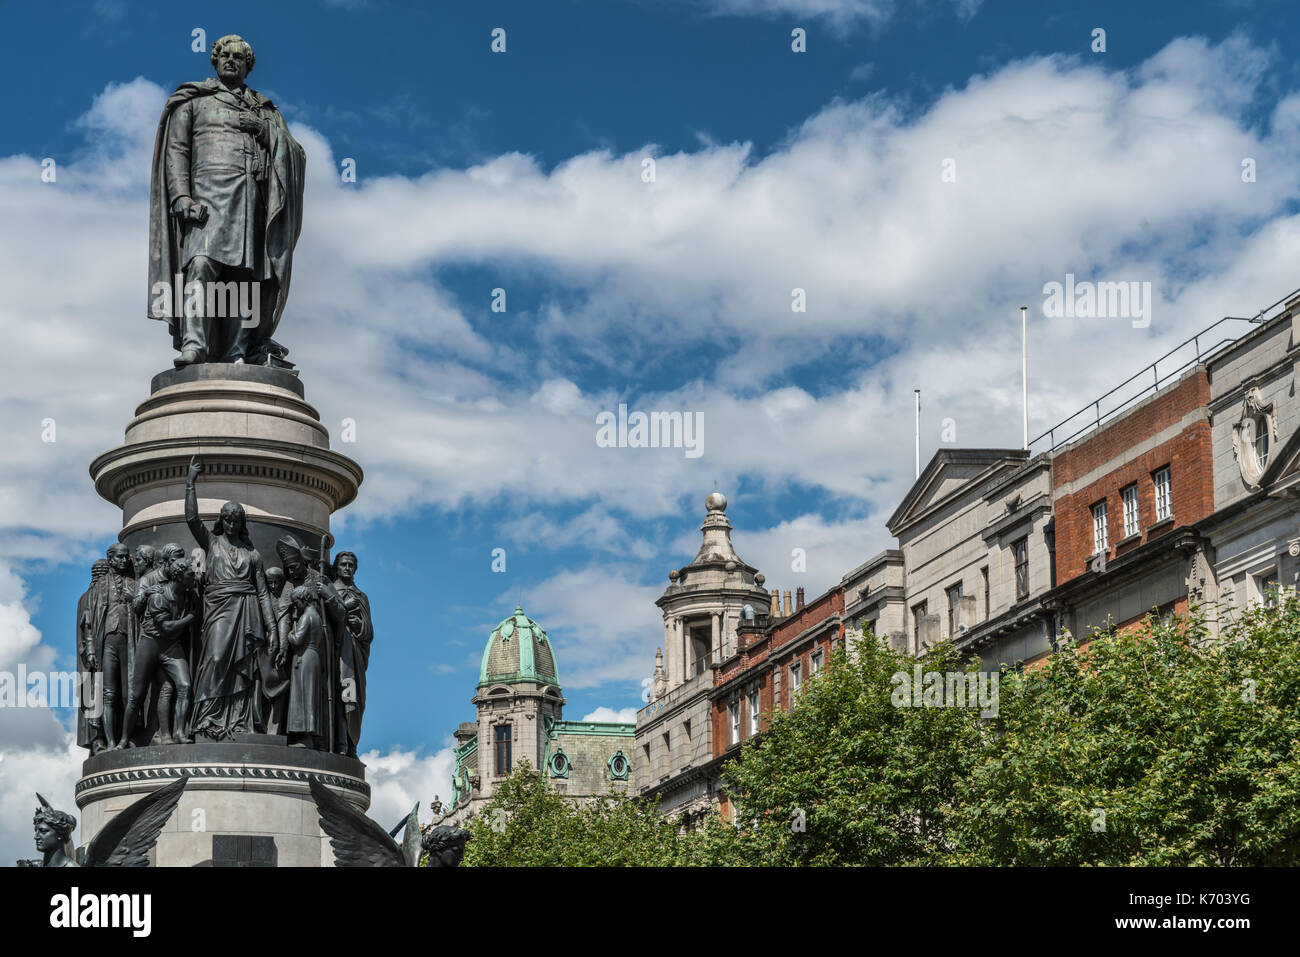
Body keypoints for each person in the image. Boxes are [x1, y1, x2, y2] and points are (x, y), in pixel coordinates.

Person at [148, 33, 305, 366]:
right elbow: (177, 151)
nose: (231, 60)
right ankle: (194, 343)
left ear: (248, 67)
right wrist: (181, 196)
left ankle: (235, 352)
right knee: (201, 266)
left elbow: (296, 155)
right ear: (215, 60)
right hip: (206, 202)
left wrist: (265, 131)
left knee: (243, 279)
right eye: (225, 55)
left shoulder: (263, 110)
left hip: (249, 203)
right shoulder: (193, 102)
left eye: (239, 57)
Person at [184, 456, 279, 739]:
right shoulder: (212, 544)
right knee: (213, 658)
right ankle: (206, 719)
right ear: (221, 520)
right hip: (219, 610)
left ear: (241, 523)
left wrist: (272, 627)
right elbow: (191, 518)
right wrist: (190, 482)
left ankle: (239, 721)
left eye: (236, 519)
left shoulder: (253, 555)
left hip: (247, 611)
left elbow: (262, 592)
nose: (230, 523)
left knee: (243, 669)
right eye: (226, 518)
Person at [118, 553, 197, 747]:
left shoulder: (188, 594)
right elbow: (166, 627)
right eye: (190, 574)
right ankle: (124, 739)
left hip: (171, 646)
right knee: (136, 695)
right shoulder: (158, 597)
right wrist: (190, 617)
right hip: (151, 644)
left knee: (183, 686)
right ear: (179, 576)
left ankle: (177, 733)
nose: (193, 576)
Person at [331, 551, 373, 757]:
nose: (347, 568)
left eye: (350, 565)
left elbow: (369, 633)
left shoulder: (361, 596)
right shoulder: (330, 591)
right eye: (343, 564)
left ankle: (352, 743)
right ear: (336, 567)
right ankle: (340, 743)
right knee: (339, 696)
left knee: (355, 699)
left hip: (354, 653)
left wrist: (360, 625)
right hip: (337, 652)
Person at [76, 560, 109, 754]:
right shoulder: (88, 599)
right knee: (94, 697)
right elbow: (86, 629)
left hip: (102, 654)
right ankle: (96, 739)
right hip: (92, 659)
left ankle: (100, 739)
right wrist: (90, 652)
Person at [286, 585, 324, 748]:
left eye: (296, 602)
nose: (295, 606)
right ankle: (308, 734)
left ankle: (305, 735)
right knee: (309, 695)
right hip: (313, 656)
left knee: (303, 696)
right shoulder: (316, 615)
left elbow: (297, 639)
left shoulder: (306, 617)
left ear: (304, 600)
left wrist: (289, 633)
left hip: (305, 657)